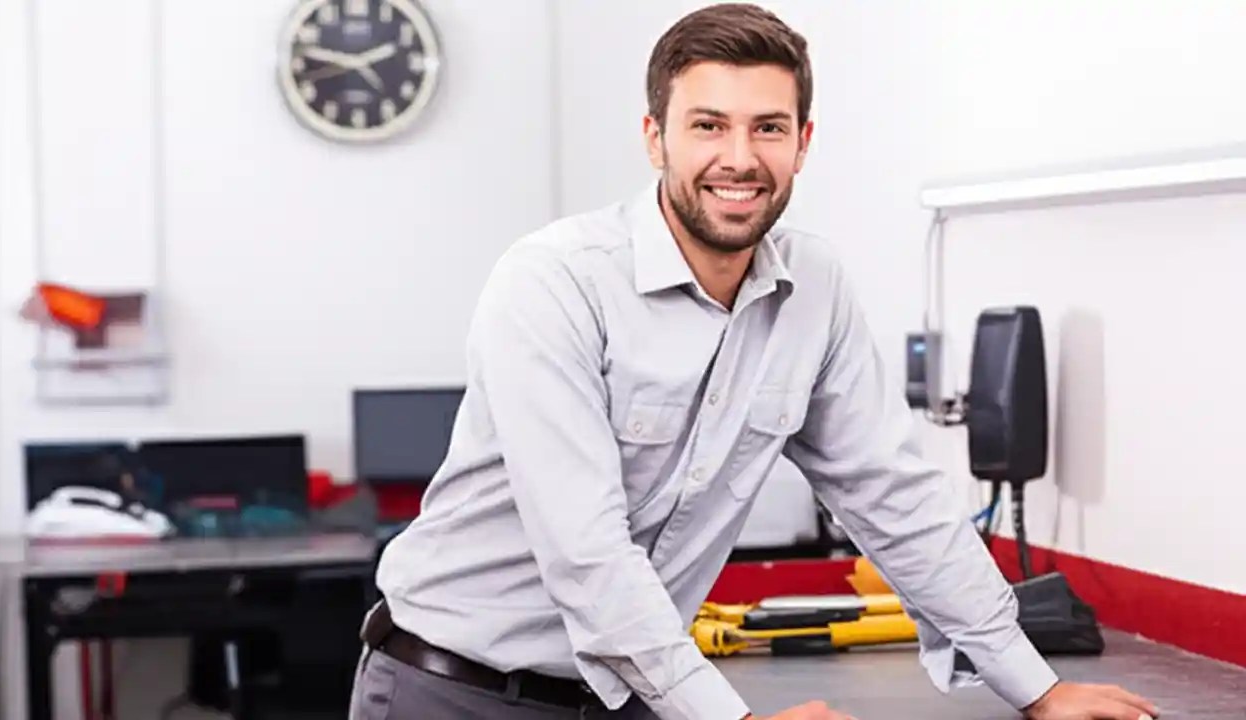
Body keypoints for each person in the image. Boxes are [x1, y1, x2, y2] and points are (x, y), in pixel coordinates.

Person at [349, 4, 1161, 720]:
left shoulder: (815, 288)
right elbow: (588, 554)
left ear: (802, 143)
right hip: (454, 691)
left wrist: (1035, 686)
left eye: (767, 127)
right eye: (708, 125)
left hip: (637, 695)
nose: (739, 157)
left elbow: (893, 496)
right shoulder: (554, 281)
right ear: (653, 136)